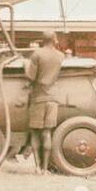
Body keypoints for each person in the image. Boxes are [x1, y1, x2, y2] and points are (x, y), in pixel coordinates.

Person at [25, 31, 66, 172]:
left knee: (35, 132)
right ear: (54, 39)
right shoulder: (61, 56)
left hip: (38, 97)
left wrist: (26, 67)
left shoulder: (37, 54)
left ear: (42, 40)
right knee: (47, 132)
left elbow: (31, 77)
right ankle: (45, 168)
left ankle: (37, 167)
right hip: (53, 98)